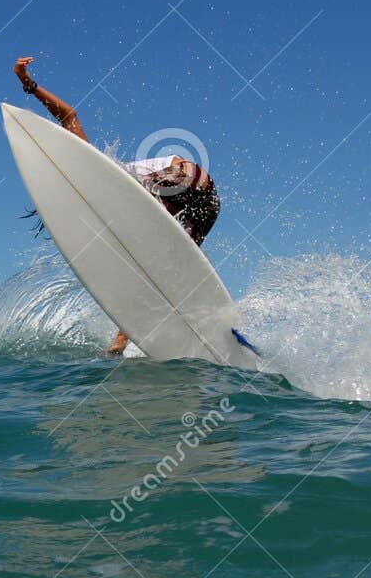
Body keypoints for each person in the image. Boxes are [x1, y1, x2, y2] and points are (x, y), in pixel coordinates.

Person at [13, 56, 220, 355]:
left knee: (151, 257)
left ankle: (122, 339)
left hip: (184, 177)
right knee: (171, 266)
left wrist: (29, 85)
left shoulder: (91, 170)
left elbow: (69, 116)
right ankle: (202, 323)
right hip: (208, 206)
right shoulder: (109, 210)